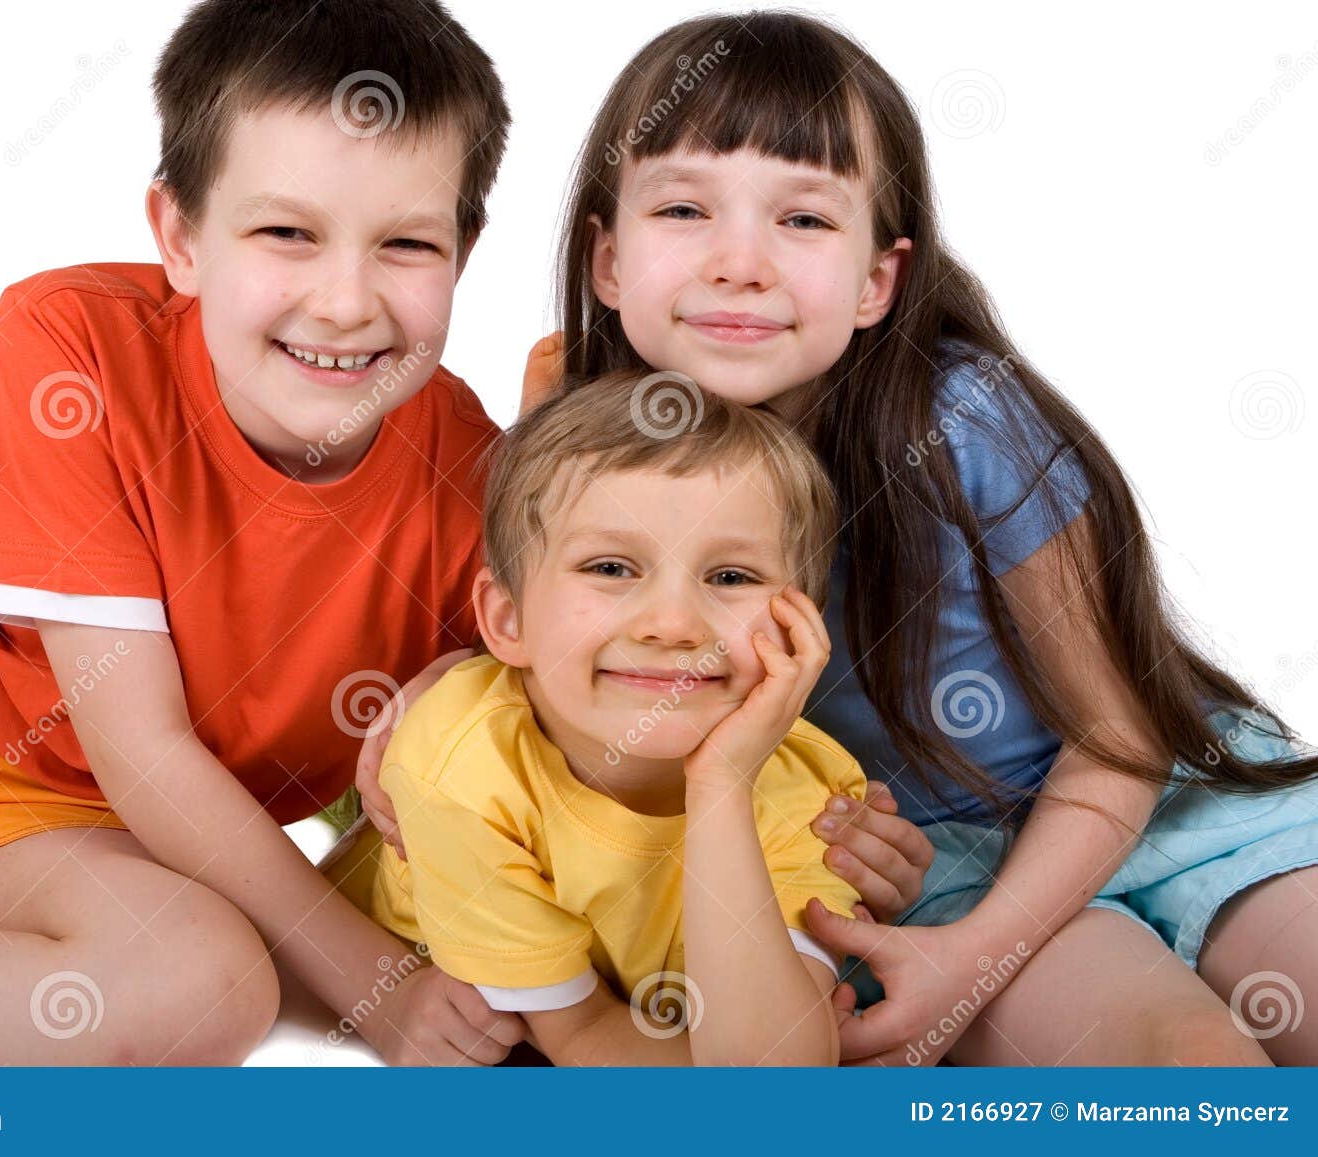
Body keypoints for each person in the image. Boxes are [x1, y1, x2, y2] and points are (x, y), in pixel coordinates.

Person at [370, 9, 1318, 1066]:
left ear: (879, 278)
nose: (739, 263)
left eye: (805, 222)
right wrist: (432, 691)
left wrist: (980, 958)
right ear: (606, 259)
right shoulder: (573, 430)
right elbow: (552, 633)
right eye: (684, 207)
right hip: (918, 867)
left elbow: (1120, 735)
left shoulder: (960, 421)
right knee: (1182, 1067)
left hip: (1159, 806)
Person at [0, 0, 527, 1066]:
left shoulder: (484, 483)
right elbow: (139, 737)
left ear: (464, 251)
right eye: (286, 232)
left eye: (407, 244)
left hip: (61, 837)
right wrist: (379, 991)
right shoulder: (74, 333)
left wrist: (455, 683)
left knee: (202, 986)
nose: (344, 300)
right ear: (181, 237)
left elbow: (519, 720)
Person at [327, 369, 863, 1064]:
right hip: (434, 1013)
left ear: (799, 629)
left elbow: (765, 1082)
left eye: (730, 577)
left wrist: (721, 785)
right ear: (507, 619)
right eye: (611, 567)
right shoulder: (459, 762)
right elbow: (580, 1034)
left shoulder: (812, 790)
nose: (672, 624)